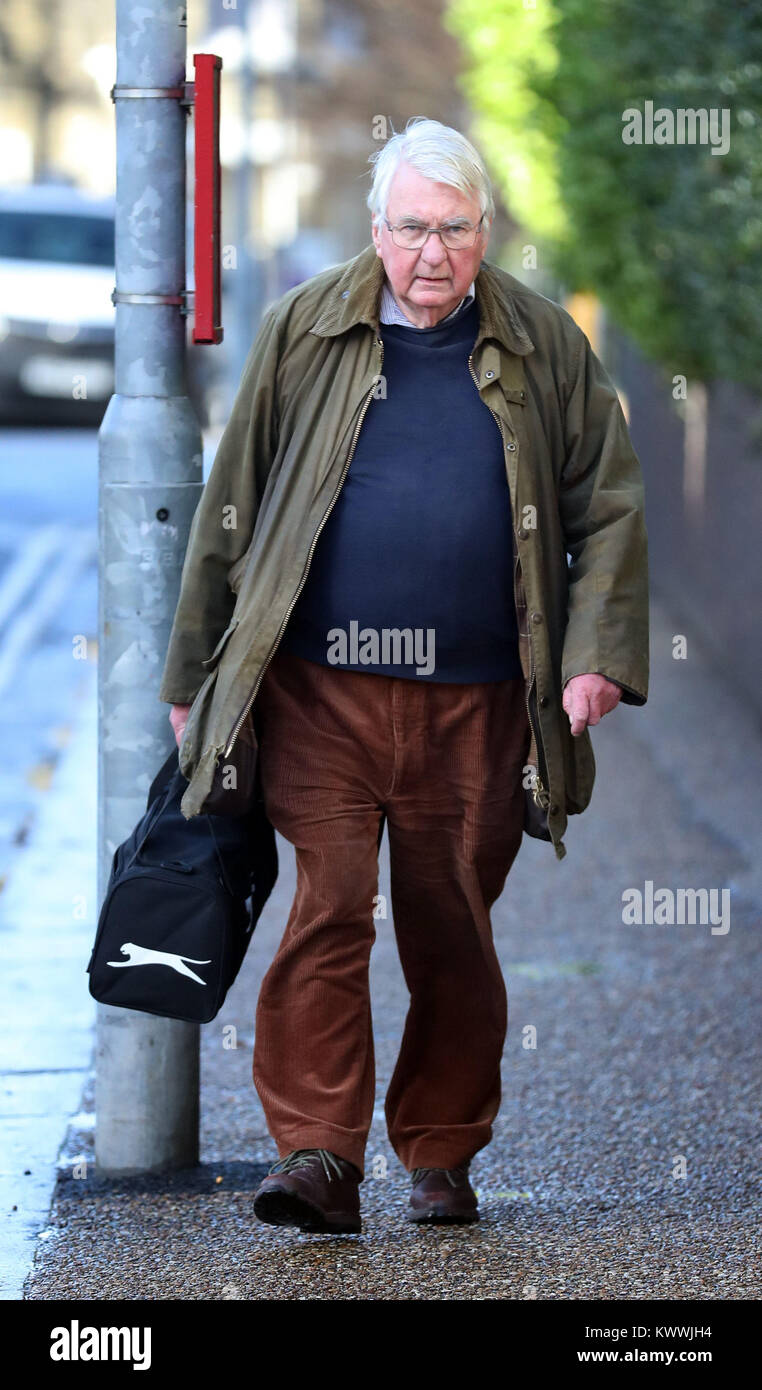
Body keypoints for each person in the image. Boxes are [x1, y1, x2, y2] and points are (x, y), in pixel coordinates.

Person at [160, 117, 649, 1235]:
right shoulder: (306, 328)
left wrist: (597, 659)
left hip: (478, 700)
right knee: (327, 909)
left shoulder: (542, 346)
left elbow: (609, 503)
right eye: (414, 228)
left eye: (457, 230)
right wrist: (195, 673)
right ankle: (317, 1154)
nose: (434, 253)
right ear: (377, 229)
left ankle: (440, 1152)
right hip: (320, 694)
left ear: (488, 231)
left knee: (452, 926)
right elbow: (227, 511)